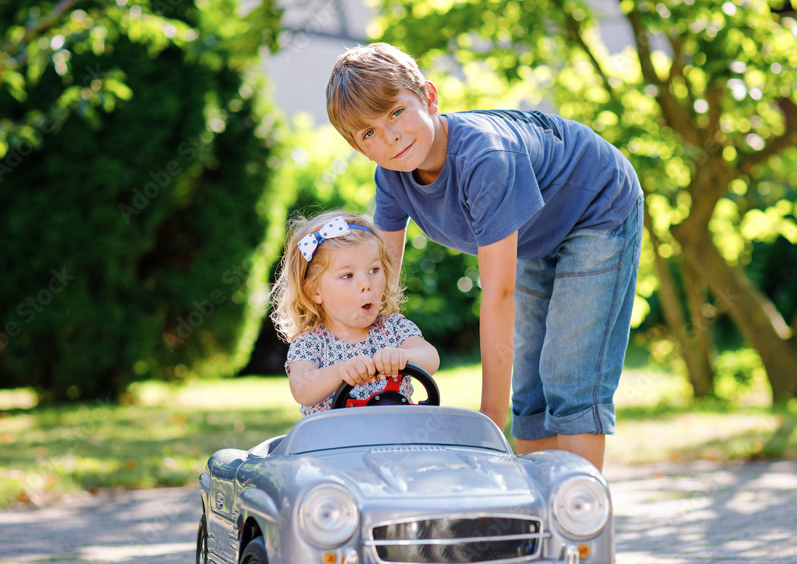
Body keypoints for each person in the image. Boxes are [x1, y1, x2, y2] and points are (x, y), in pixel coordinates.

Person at [326, 43, 642, 470]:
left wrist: (487, 427)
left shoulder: (485, 159)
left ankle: (578, 527)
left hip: (596, 205)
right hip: (535, 230)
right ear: (359, 148)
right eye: (369, 133)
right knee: (530, 389)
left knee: (569, 376)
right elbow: (381, 280)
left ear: (430, 97)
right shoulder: (392, 177)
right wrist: (342, 345)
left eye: (396, 112)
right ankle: (536, 521)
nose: (390, 137)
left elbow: (499, 296)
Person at [271, 210, 440, 415]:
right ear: (315, 291)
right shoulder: (310, 344)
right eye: (348, 275)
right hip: (335, 445)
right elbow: (302, 388)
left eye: (373, 270)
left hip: (395, 437)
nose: (366, 284)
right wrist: (340, 372)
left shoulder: (394, 328)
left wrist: (402, 356)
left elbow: (431, 357)